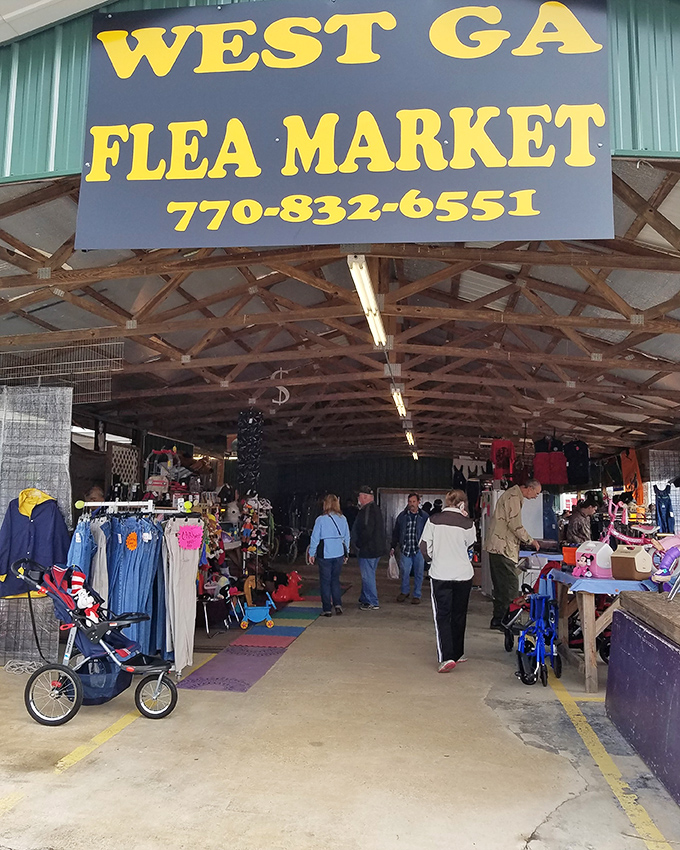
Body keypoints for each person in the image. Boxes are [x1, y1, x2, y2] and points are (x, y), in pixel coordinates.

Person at [419, 490, 477, 673]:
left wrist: (432, 560)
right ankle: (458, 653)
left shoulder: (433, 520)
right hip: (463, 575)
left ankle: (446, 658)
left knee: (442, 616)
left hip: (441, 573)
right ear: (463, 503)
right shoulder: (468, 524)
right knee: (459, 614)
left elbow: (423, 546)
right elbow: (470, 545)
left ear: (447, 501)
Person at [484, 479, 542, 631]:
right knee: (511, 585)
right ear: (528, 488)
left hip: (497, 546)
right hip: (503, 547)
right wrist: (530, 540)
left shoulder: (511, 494)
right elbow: (515, 524)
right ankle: (509, 621)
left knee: (500, 586)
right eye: (535, 493)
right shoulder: (514, 497)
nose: (536, 496)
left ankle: (498, 619)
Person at [309, 494, 351, 617]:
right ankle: (338, 604)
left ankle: (327, 608)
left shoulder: (320, 519)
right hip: (338, 553)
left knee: (325, 581)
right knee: (335, 580)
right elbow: (347, 537)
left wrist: (312, 553)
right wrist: (346, 552)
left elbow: (315, 537)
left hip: (325, 554)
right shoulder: (343, 519)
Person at [351, 485, 387, 610]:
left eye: (359, 495)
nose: (358, 498)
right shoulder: (374, 509)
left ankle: (372, 601)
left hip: (368, 549)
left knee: (368, 576)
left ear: (365, 497)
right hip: (375, 548)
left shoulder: (367, 510)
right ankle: (365, 599)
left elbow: (367, 530)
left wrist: (359, 544)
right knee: (368, 574)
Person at [391, 493, 429, 604]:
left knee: (419, 573)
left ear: (418, 502)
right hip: (406, 548)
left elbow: (430, 533)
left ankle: (417, 594)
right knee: (405, 572)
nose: (411, 504)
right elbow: (396, 532)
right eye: (410, 502)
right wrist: (393, 546)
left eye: (413, 502)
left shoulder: (424, 517)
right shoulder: (402, 516)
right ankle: (404, 591)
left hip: (419, 550)